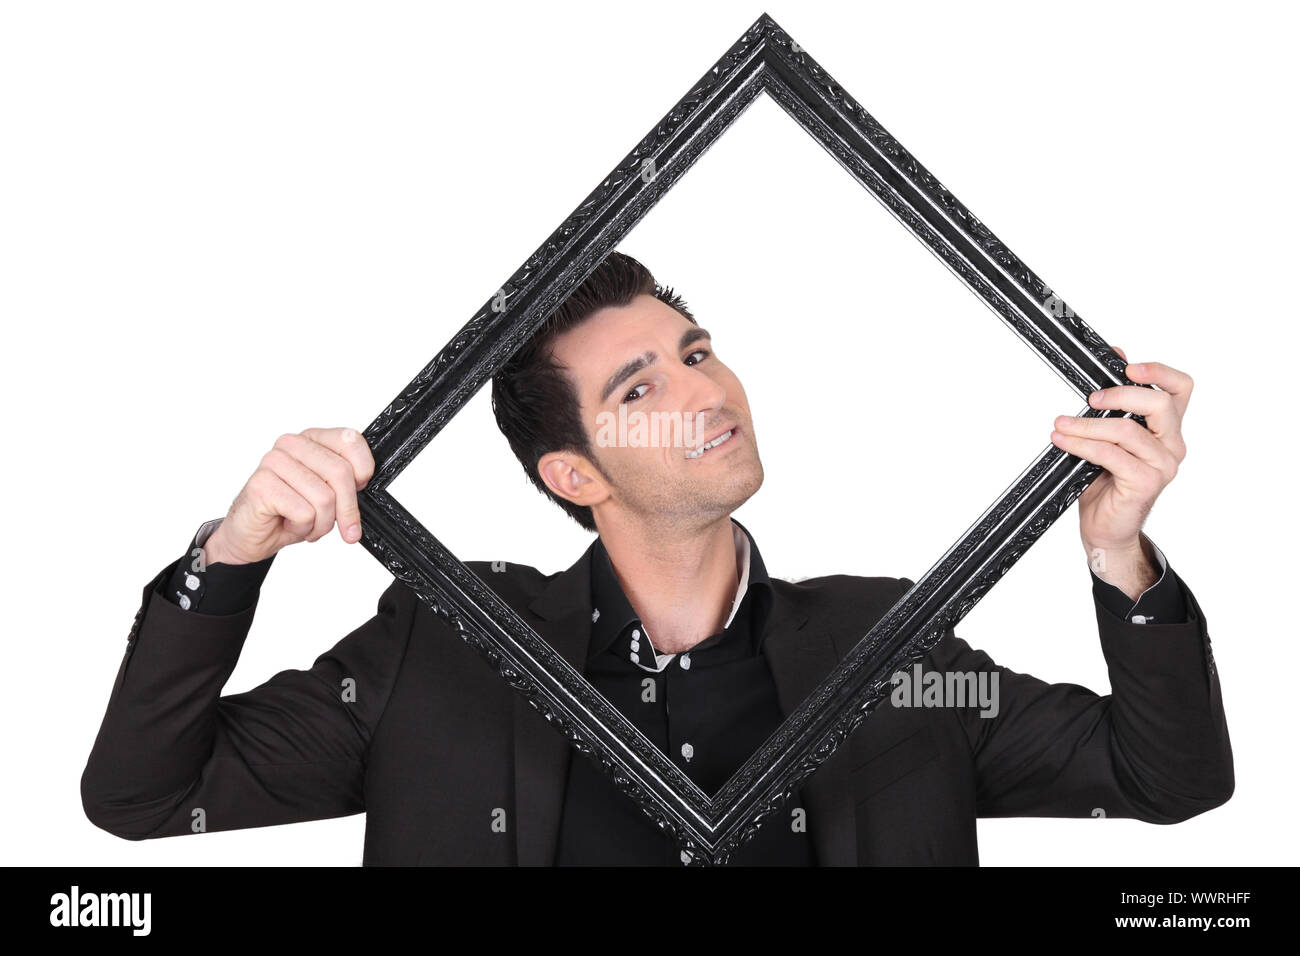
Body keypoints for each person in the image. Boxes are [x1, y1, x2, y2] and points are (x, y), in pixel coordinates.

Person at [81, 252, 1233, 865]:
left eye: (697, 351)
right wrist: (227, 561)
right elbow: (143, 797)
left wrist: (1118, 552)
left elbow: (1167, 780)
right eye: (642, 386)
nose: (705, 389)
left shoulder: (888, 648)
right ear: (573, 475)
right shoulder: (444, 646)